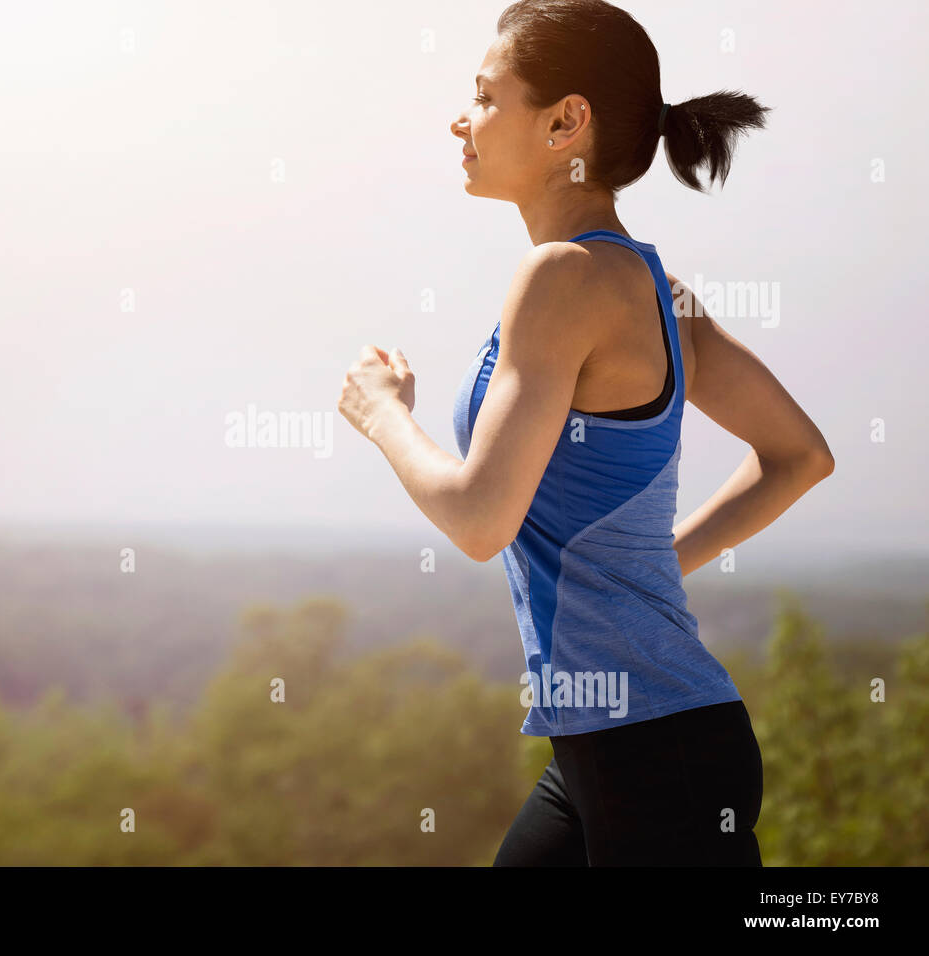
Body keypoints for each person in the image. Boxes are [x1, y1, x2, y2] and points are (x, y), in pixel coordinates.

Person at [336, 0, 834, 865]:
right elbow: (803, 457)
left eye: (486, 97)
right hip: (616, 748)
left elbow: (479, 518)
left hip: (655, 759)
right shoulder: (653, 286)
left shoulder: (560, 277)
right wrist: (651, 564)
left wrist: (384, 414)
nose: (461, 119)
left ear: (566, 121)